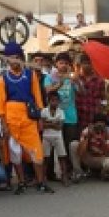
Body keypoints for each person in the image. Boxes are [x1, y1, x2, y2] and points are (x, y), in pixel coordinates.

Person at [0, 42, 53, 194]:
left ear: (21, 58)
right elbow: (0, 104)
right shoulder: (3, 78)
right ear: (7, 60)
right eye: (10, 58)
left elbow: (38, 98)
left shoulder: (31, 74)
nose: (13, 61)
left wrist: (40, 118)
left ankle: (41, 182)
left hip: (29, 117)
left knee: (36, 150)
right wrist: (4, 124)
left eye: (16, 57)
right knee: (15, 152)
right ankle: (21, 182)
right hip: (11, 119)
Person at [43, 52, 78, 182]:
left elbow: (82, 91)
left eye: (66, 63)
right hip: (53, 117)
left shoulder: (72, 77)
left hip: (70, 116)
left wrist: (76, 80)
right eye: (61, 63)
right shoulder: (49, 77)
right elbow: (48, 91)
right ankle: (50, 174)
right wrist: (61, 82)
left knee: (69, 145)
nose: (63, 66)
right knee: (51, 145)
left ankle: (68, 172)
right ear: (56, 64)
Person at [70, 113, 109, 181]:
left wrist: (102, 140)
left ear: (105, 124)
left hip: (102, 158)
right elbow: (80, 152)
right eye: (98, 122)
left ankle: (103, 173)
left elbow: (108, 153)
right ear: (94, 123)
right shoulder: (87, 130)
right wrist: (89, 136)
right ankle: (78, 172)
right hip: (88, 157)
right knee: (74, 144)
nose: (100, 125)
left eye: (102, 122)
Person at [40, 91, 70, 186]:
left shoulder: (61, 111)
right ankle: (43, 177)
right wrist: (54, 123)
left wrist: (48, 123)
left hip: (58, 136)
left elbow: (60, 127)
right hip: (46, 137)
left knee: (62, 156)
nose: (55, 103)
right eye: (52, 100)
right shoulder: (44, 111)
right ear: (48, 101)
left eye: (56, 101)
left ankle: (64, 176)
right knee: (45, 158)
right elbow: (42, 126)